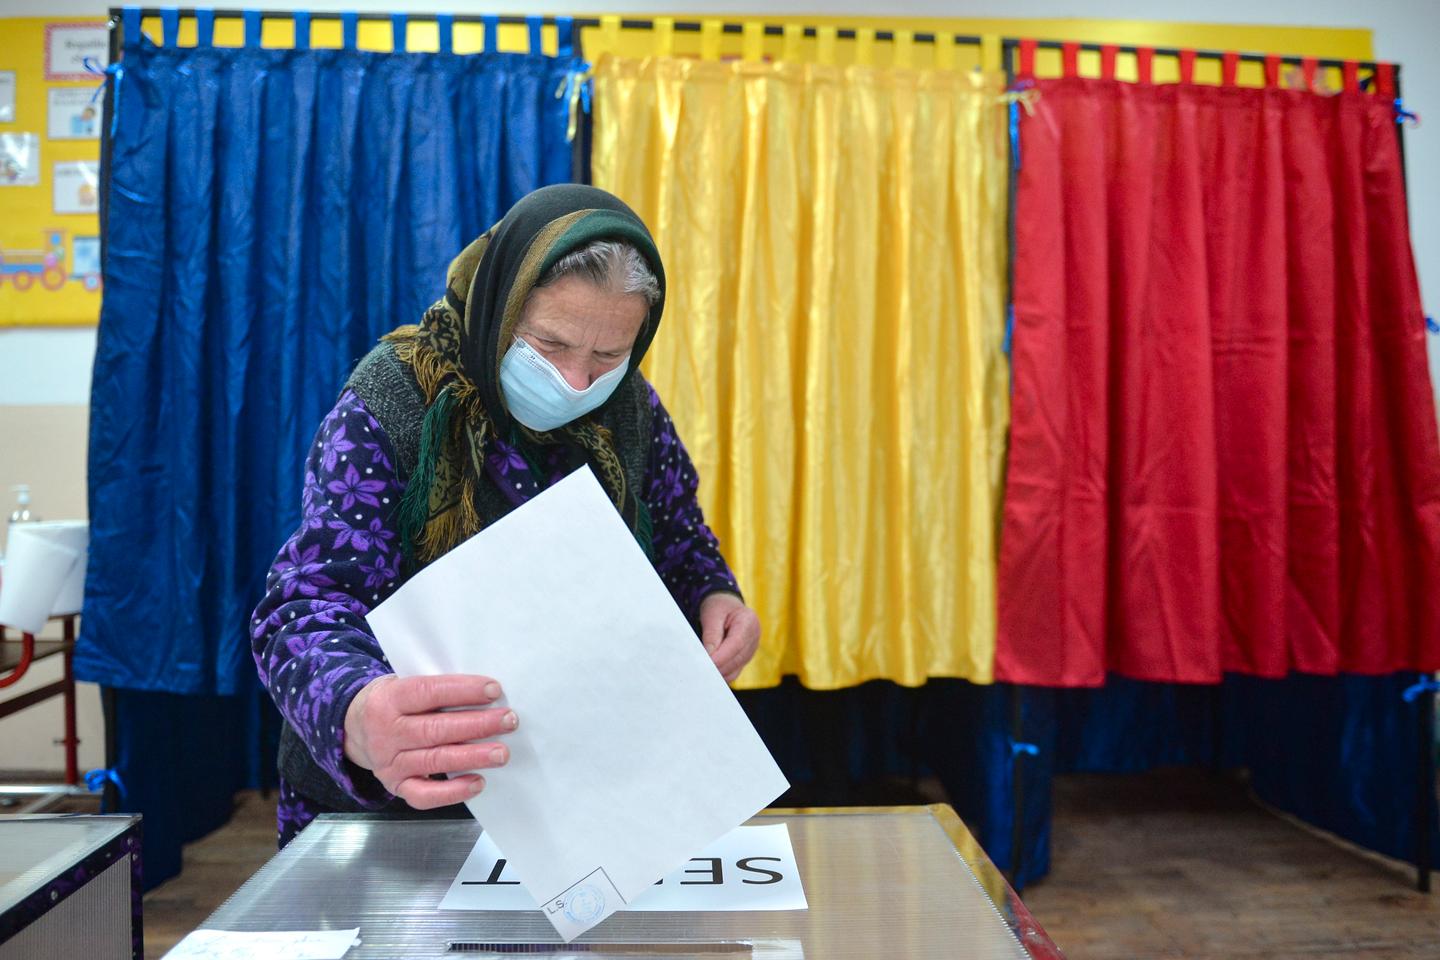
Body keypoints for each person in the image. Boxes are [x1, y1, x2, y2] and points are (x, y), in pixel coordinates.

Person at [250, 185, 760, 846]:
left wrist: (714, 593)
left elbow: (677, 534)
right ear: (498, 307)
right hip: (402, 802)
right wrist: (358, 709)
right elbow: (306, 604)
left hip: (568, 791)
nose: (577, 381)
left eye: (608, 355)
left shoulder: (629, 407)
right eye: (549, 344)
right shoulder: (393, 402)